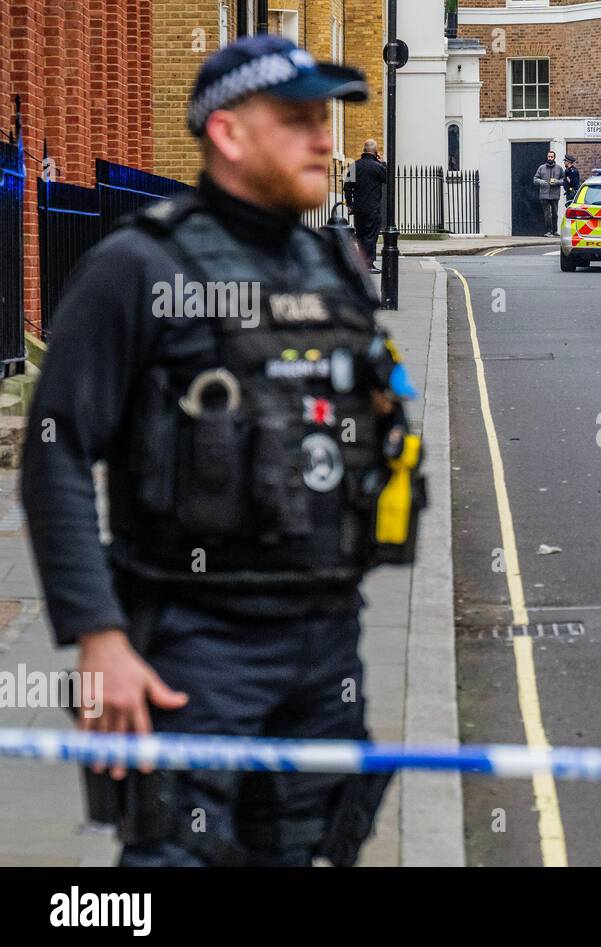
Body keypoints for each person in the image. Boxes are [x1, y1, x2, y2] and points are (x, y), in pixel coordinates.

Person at [21, 34, 426, 867]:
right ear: (230, 134)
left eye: (327, 118)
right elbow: (54, 450)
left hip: (326, 640)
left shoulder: (332, 264)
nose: (325, 138)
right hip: (195, 646)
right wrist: (99, 639)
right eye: (299, 119)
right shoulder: (136, 267)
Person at [344, 138, 385, 273]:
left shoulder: (354, 166)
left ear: (363, 150)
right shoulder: (378, 167)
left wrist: (349, 204)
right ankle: (368, 264)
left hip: (358, 208)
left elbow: (347, 187)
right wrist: (382, 162)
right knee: (371, 236)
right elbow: (387, 178)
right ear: (375, 152)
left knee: (361, 236)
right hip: (373, 208)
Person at [533, 149, 563, 236]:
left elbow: (564, 180)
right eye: (549, 156)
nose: (550, 158)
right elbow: (535, 179)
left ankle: (555, 231)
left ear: (554, 158)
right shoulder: (541, 168)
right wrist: (541, 182)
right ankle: (549, 231)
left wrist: (557, 182)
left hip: (555, 195)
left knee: (555, 214)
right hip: (544, 195)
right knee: (547, 214)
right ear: (547, 157)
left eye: (551, 157)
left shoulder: (559, 168)